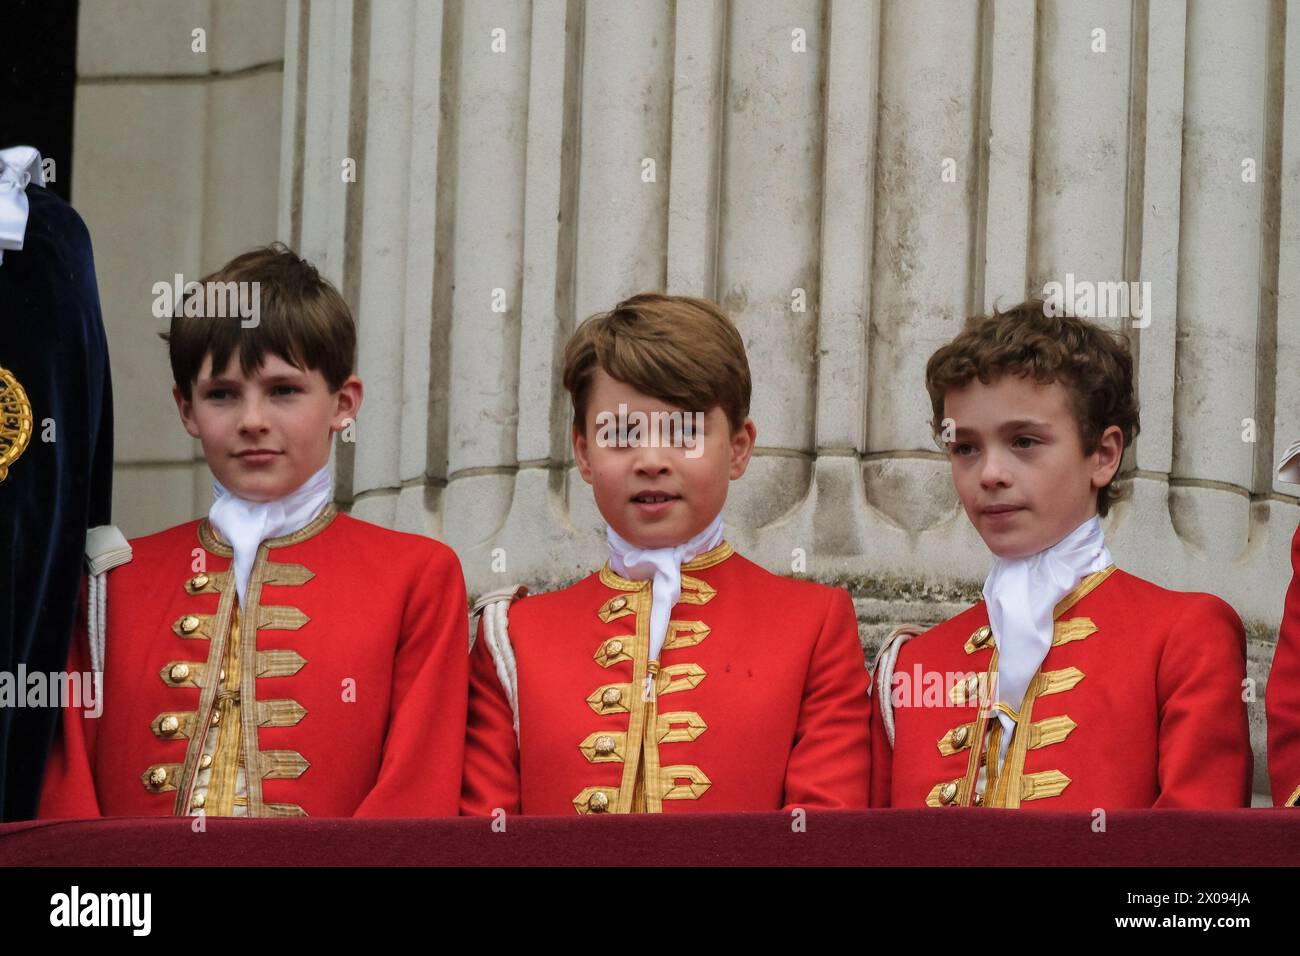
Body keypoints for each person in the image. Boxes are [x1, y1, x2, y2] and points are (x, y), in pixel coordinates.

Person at [38, 244, 468, 818]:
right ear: (186, 409)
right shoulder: (108, 583)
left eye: (283, 390)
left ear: (344, 403)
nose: (253, 421)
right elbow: (66, 802)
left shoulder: (417, 577)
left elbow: (415, 794)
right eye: (222, 394)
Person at [461, 293, 871, 816]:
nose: (651, 460)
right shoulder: (513, 638)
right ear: (584, 453)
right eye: (622, 434)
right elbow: (479, 841)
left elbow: (824, 835)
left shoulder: (812, 625)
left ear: (739, 448)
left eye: (684, 431)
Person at [871, 301, 1251, 808]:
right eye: (965, 448)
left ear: (1103, 455)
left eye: (1024, 441)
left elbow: (1197, 868)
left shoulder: (1183, 636)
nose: (990, 474)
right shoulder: (912, 665)